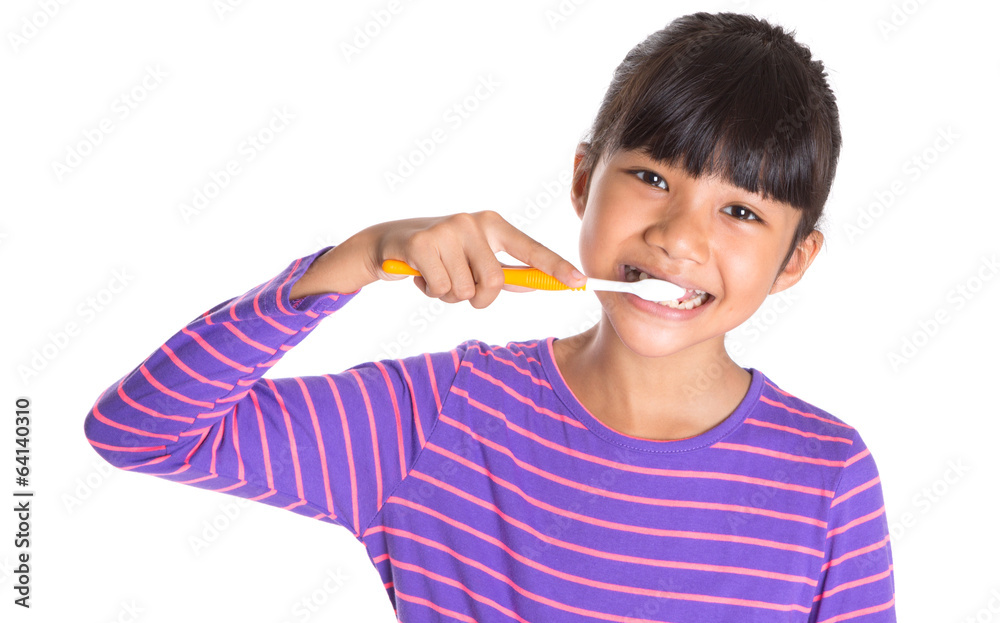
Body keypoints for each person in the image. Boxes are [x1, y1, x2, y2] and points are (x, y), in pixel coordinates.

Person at [83, 11, 895, 621]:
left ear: (795, 260)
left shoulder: (828, 475)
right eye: (651, 178)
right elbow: (142, 430)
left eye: (742, 212)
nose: (679, 236)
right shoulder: (440, 417)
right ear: (582, 180)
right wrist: (360, 257)